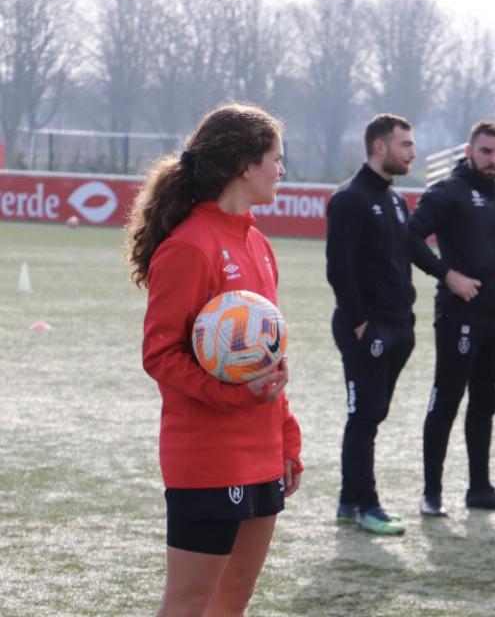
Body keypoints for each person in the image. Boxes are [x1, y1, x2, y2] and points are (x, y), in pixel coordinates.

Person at [127, 104, 302, 616]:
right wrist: (233, 395)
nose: (282, 169)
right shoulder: (189, 247)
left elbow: (269, 358)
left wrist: (286, 437)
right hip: (207, 457)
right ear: (246, 166)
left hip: (262, 450)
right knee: (187, 605)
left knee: (232, 602)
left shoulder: (258, 243)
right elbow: (160, 355)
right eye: (276, 158)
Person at [409, 120, 495, 516]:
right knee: (446, 400)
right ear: (468, 152)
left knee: (485, 404)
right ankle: (431, 493)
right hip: (458, 315)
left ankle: (479, 488)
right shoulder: (447, 192)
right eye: (486, 151)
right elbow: (408, 236)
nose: (493, 159)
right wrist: (447, 275)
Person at [326, 114, 417, 536]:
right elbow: (338, 269)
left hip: (398, 327)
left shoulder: (395, 200)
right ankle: (368, 506)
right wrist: (361, 324)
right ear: (380, 147)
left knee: (373, 414)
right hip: (367, 329)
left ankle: (348, 501)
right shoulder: (350, 199)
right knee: (363, 416)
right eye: (405, 144)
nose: (412, 152)